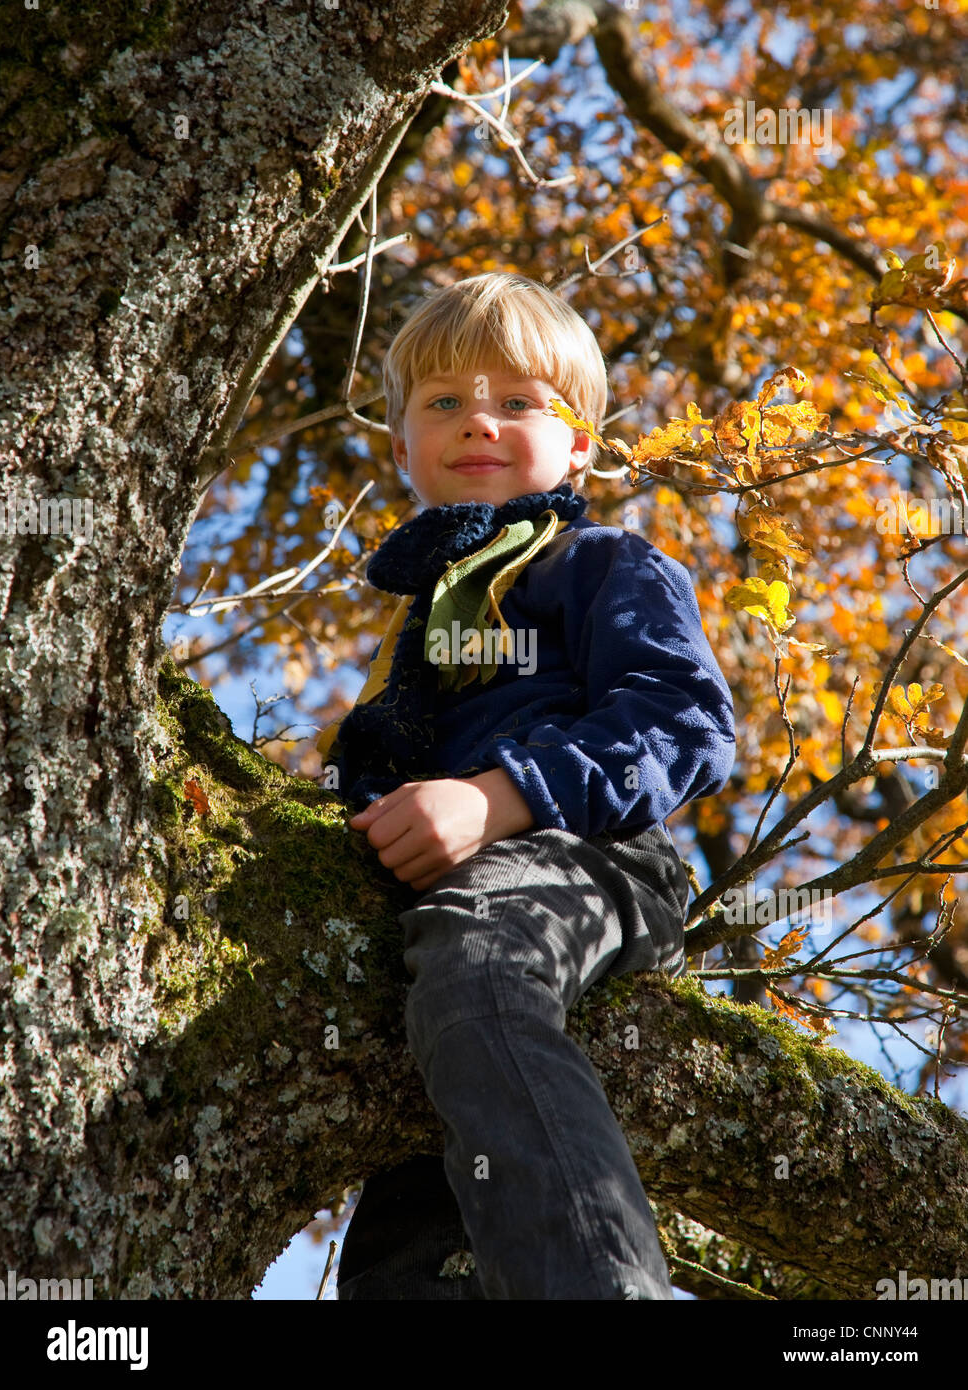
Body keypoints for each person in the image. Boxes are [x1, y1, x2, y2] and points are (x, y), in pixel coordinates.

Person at [316, 271, 736, 1299]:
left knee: (478, 963)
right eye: (443, 402)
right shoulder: (417, 626)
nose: (478, 423)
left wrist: (496, 797)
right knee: (409, 1221)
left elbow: (684, 724)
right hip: (439, 913)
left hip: (586, 857)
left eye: (516, 400)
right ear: (405, 443)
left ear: (579, 443)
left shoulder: (599, 565)